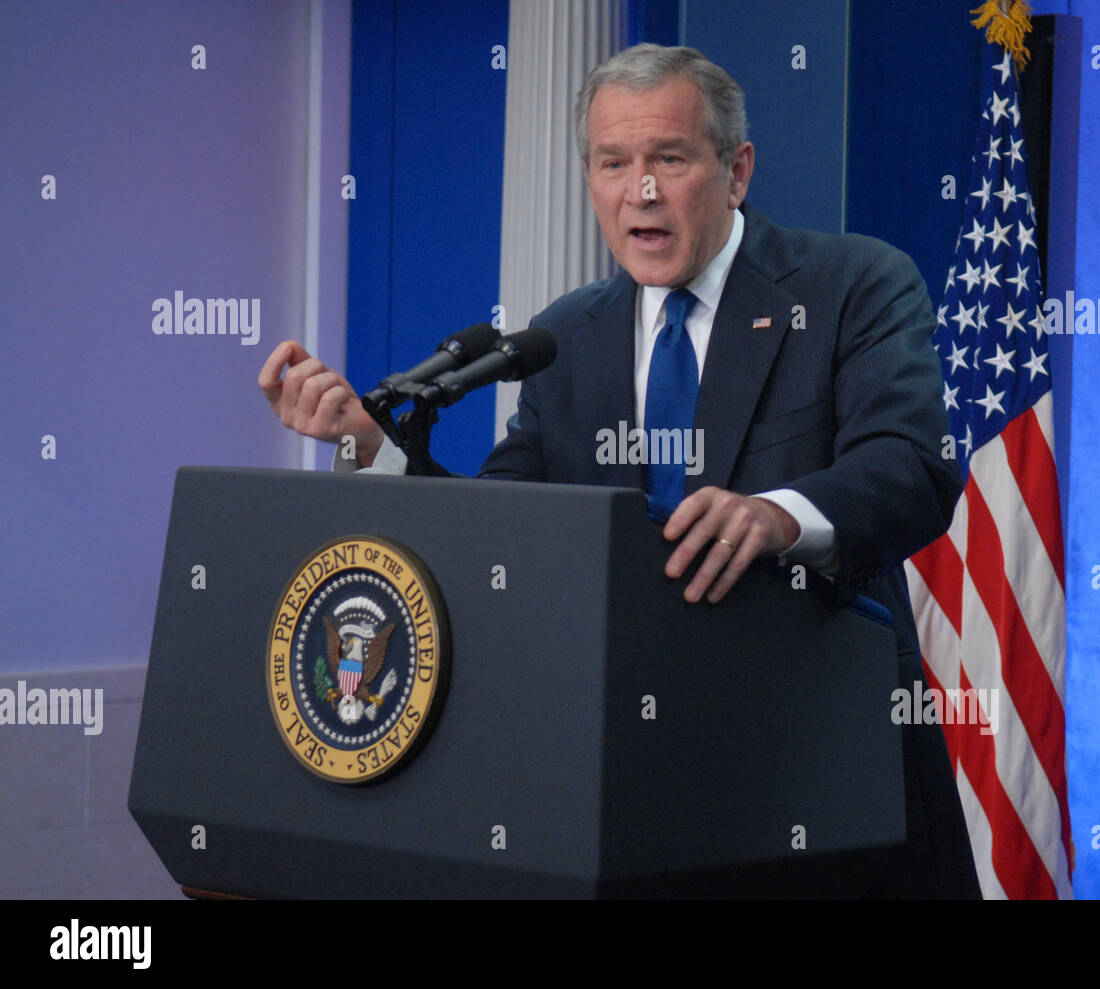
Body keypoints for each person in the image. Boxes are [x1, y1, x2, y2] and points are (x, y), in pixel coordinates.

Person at [259, 43, 980, 897]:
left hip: (828, 789)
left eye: (669, 159)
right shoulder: (568, 335)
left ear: (736, 170)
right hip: (638, 800)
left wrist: (780, 516)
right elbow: (502, 534)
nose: (641, 190)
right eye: (614, 163)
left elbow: (912, 465)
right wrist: (370, 449)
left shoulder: (851, 285)